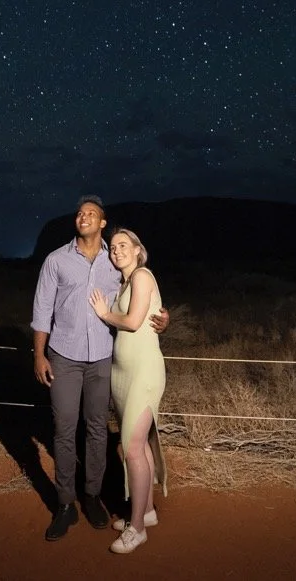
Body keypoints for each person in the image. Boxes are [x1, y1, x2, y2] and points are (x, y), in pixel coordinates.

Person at [31, 196, 168, 542]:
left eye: (91, 213)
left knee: (97, 429)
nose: (84, 216)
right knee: (64, 429)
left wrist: (163, 317)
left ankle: (92, 496)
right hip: (64, 356)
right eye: (80, 212)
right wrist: (39, 355)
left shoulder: (114, 261)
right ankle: (65, 503)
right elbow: (42, 309)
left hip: (103, 359)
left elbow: (141, 298)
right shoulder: (56, 260)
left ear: (102, 222)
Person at [89, 227, 168, 554]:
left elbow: (134, 322)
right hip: (123, 373)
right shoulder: (125, 283)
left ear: (138, 250)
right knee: (140, 445)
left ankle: (137, 529)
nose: (117, 250)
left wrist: (105, 314)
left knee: (132, 448)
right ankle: (146, 511)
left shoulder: (142, 276)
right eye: (113, 247)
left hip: (144, 372)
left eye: (123, 245)